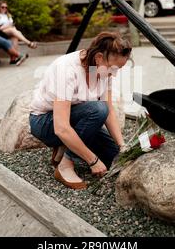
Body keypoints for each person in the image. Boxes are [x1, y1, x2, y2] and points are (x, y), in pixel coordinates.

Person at [29, 32, 132, 190]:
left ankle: (65, 148)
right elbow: (61, 127)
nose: (115, 74)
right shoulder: (66, 69)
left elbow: (109, 111)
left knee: (116, 156)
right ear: (98, 58)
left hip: (76, 118)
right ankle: (65, 165)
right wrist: (93, 160)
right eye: (114, 68)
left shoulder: (101, 69)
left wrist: (122, 145)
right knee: (97, 109)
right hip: (45, 122)